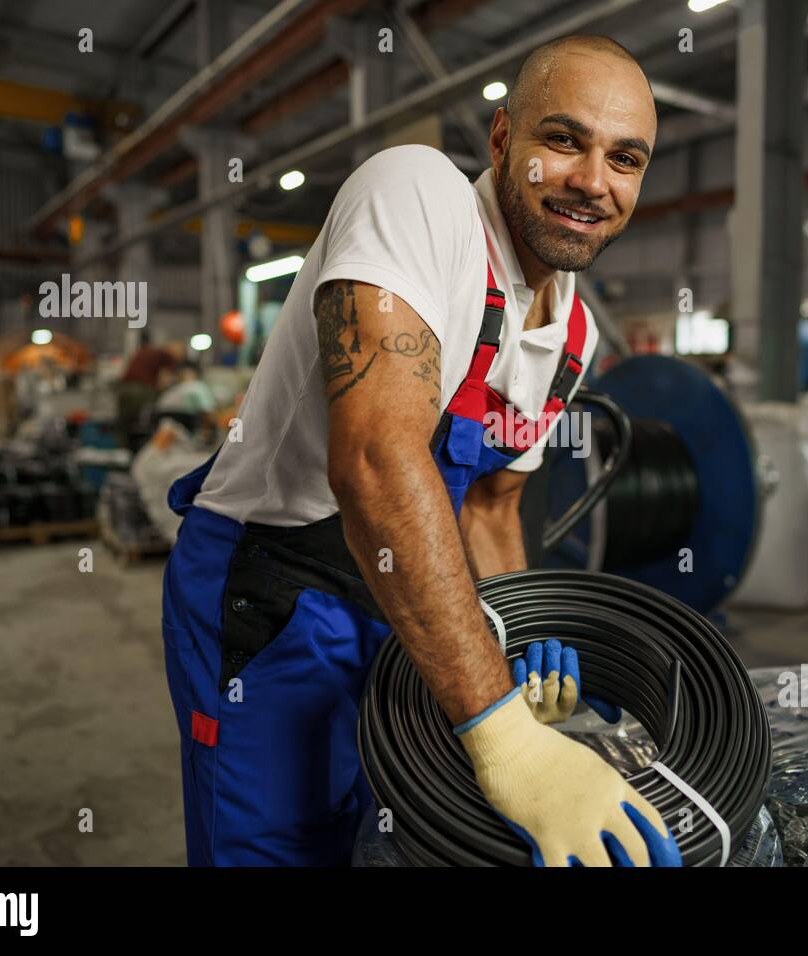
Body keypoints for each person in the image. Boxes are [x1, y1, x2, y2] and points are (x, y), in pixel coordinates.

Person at [161, 34, 678, 867]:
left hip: (407, 602)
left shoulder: (569, 333)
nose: (593, 180)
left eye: (625, 158)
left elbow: (490, 502)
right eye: (563, 140)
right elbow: (374, 462)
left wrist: (514, 637)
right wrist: (504, 734)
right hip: (274, 597)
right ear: (504, 140)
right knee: (278, 847)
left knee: (386, 832)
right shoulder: (418, 195)